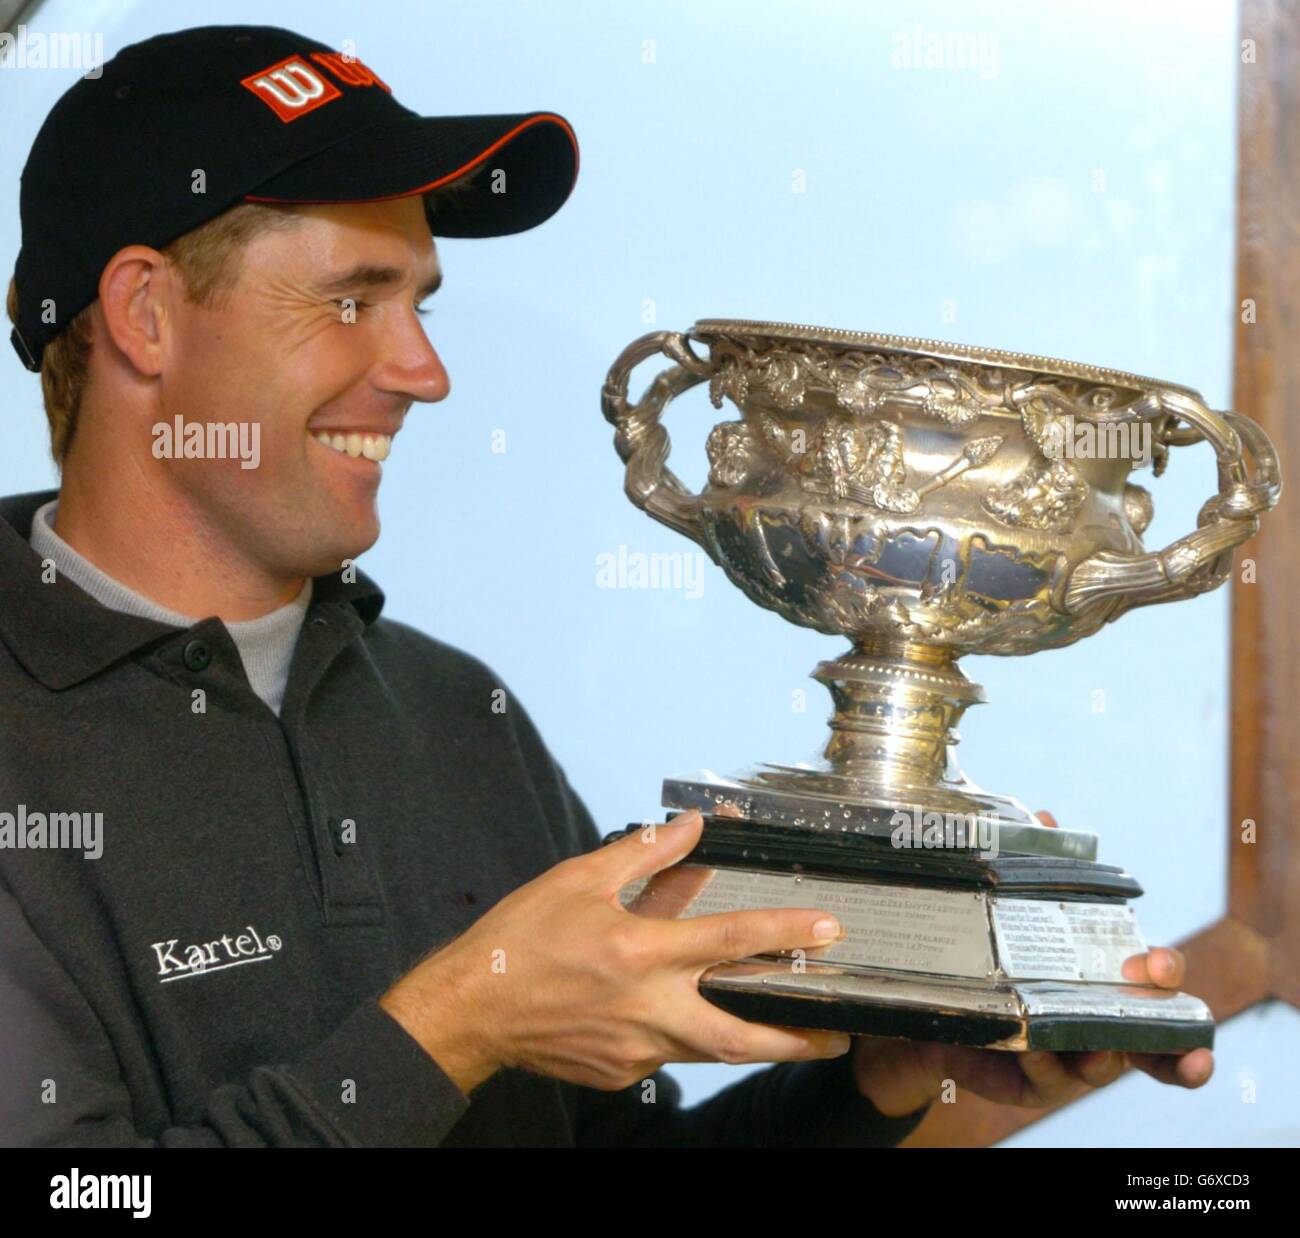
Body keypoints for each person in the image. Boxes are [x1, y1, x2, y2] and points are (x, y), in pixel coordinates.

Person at [0, 24, 1212, 1148]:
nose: (423, 371)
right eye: (350, 298)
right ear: (145, 316)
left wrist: (880, 1086)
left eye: (418, 303)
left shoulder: (453, 712)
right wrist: (458, 1025)